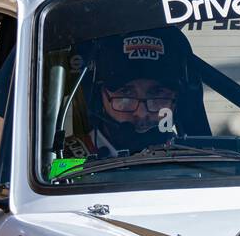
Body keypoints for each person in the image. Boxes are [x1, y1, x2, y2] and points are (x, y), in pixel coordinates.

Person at [60, 27, 190, 159]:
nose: (141, 113)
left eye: (157, 93)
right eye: (126, 93)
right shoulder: (66, 159)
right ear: (101, 97)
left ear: (176, 99)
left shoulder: (198, 158)